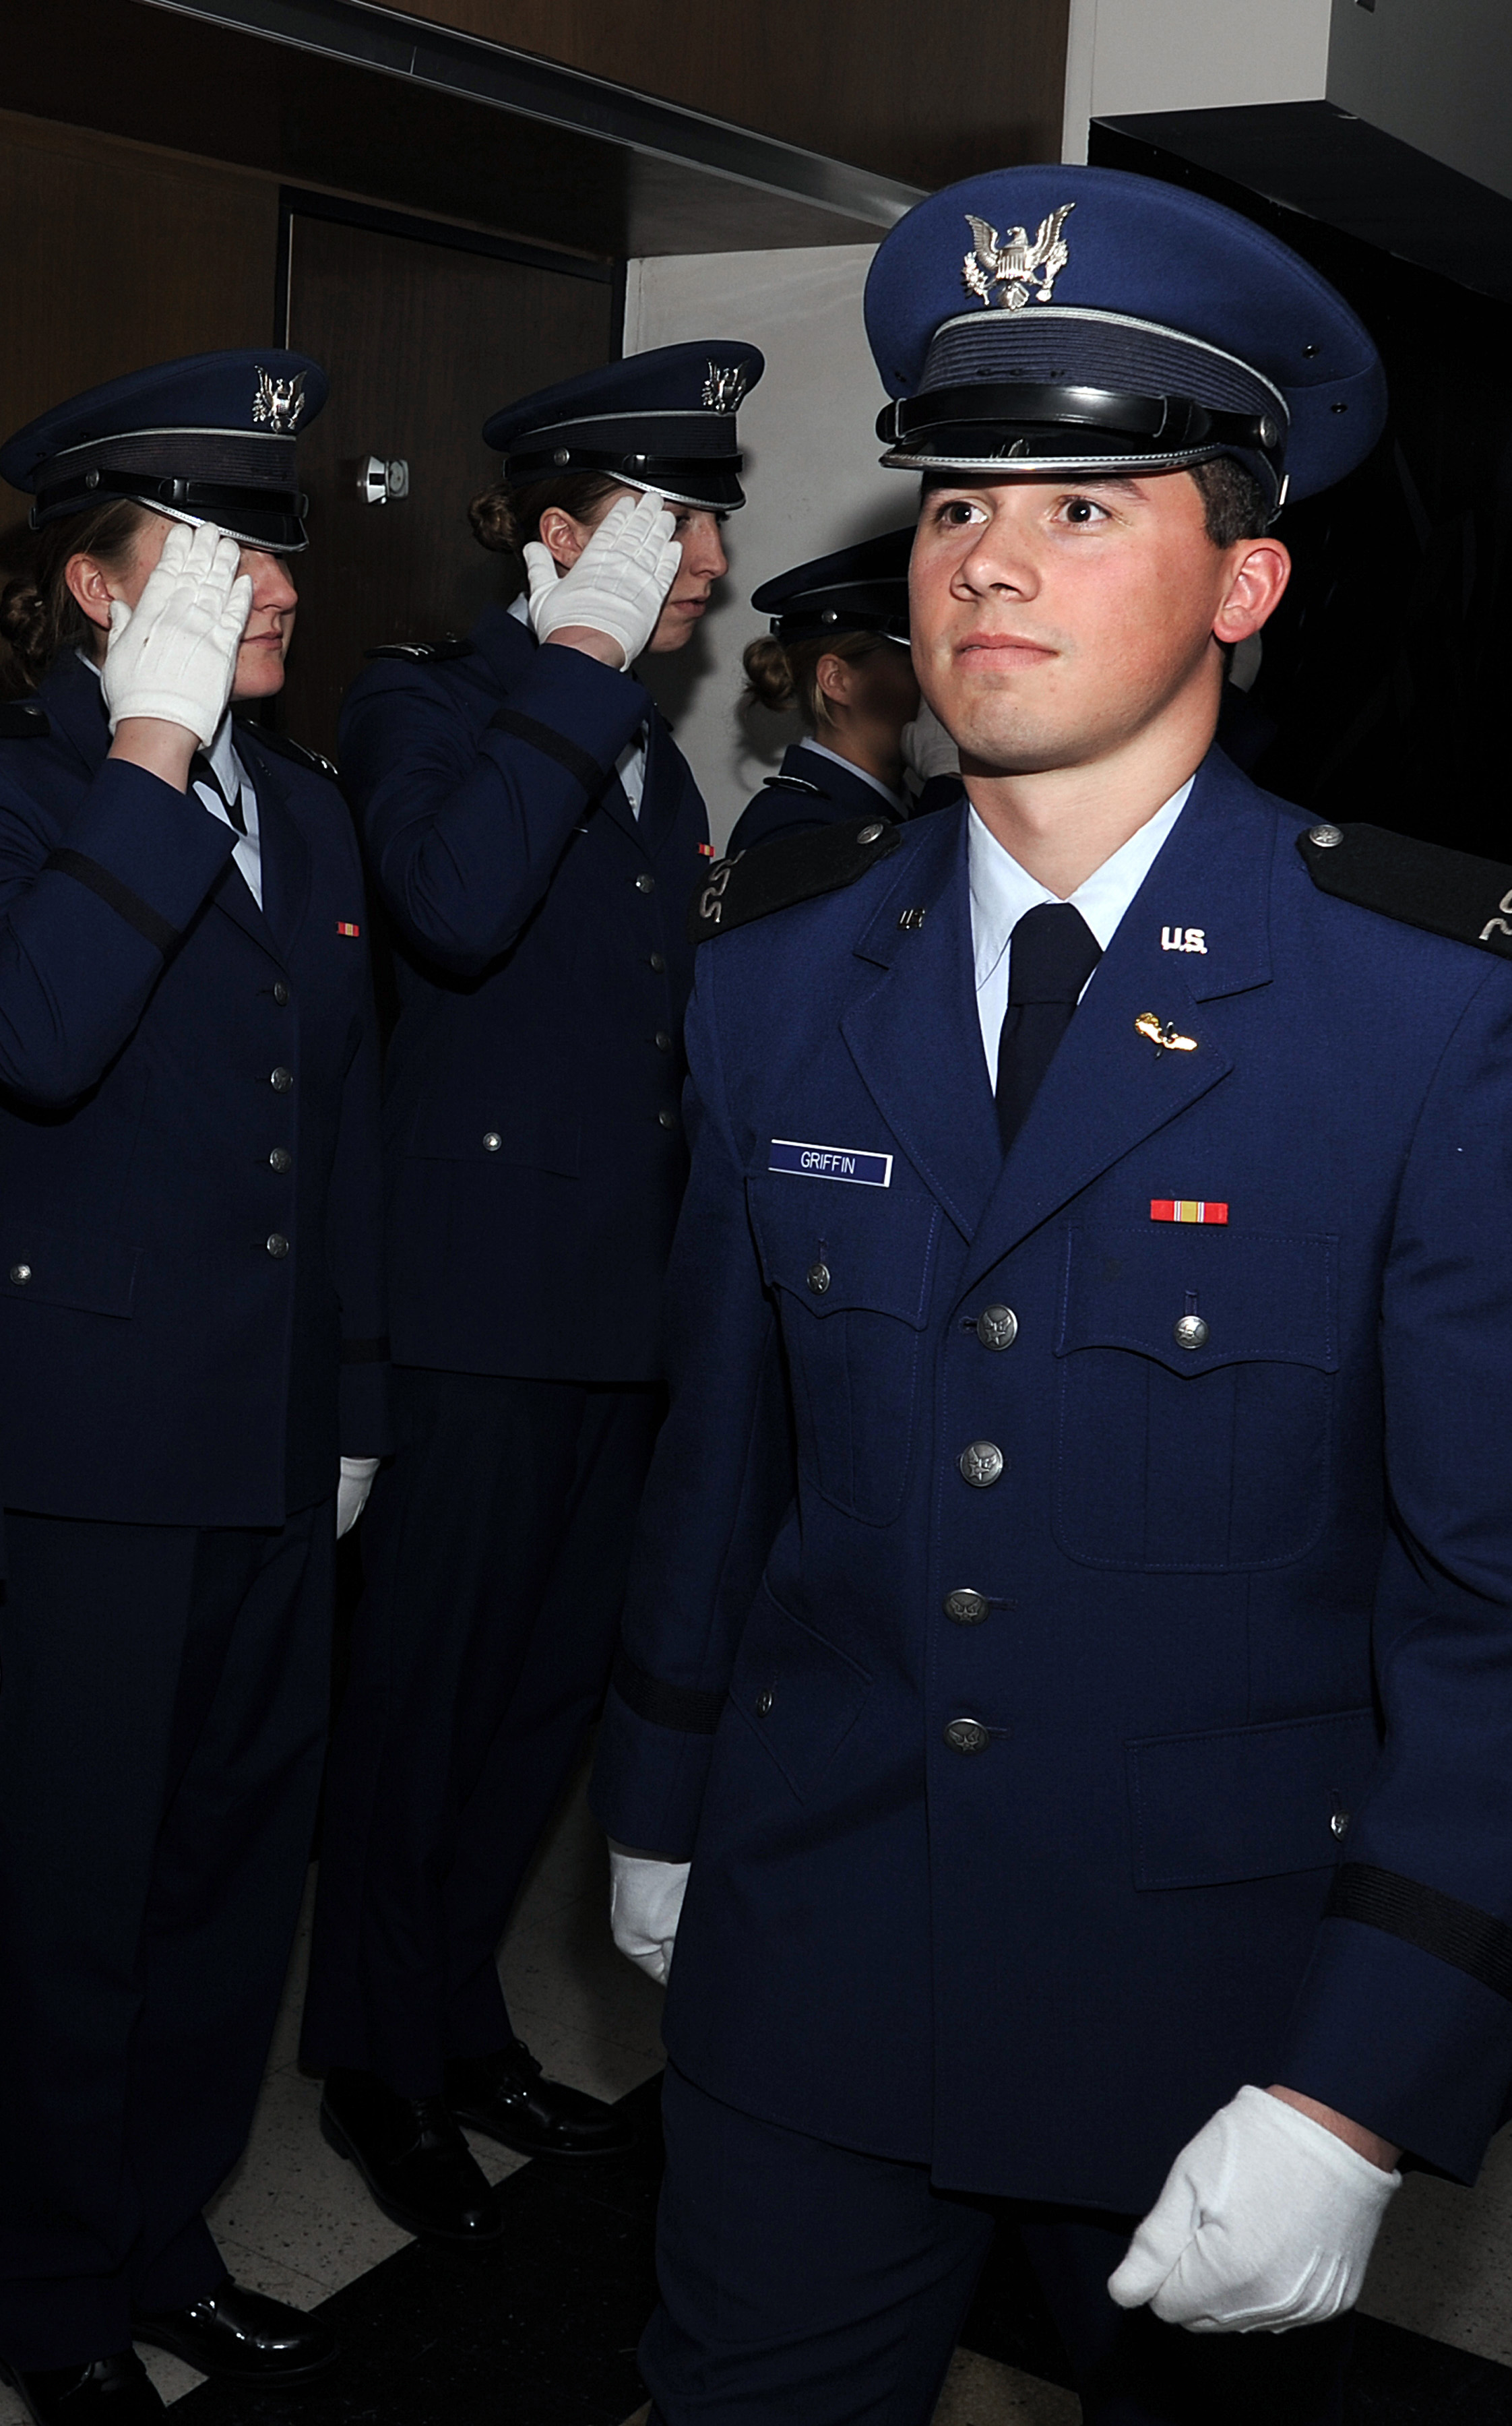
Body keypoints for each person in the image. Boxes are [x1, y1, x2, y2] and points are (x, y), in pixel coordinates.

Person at [591, 166, 1512, 2426]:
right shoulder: (776, 986)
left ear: (1246, 581)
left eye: (1084, 506)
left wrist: (1363, 2082)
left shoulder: (1435, 1011)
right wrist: (662, 1798)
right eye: (962, 507)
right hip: (821, 1943)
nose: (989, 562)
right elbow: (727, 1450)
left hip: (1216, 2002)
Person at [299, 342, 764, 2244]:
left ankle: (461, 2017)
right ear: (564, 539)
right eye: (682, 528)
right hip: (475, 1314)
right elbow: (462, 906)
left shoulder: (649, 751)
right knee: (422, 1712)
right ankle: (371, 2065)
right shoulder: (433, 710)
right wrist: (575, 663)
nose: (717, 569)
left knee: (535, 1723)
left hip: (617, 1319)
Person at [0, 351, 389, 2424]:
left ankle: (164, 2233)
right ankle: (49, 2289)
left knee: (232, 1883)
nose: (269, 587)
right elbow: (48, 1034)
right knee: (66, 1903)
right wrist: (149, 751)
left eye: (280, 549)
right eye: (215, 549)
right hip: (80, 1459)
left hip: (265, 1436)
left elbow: (345, 1130)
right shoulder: (31, 798)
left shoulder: (310, 804)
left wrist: (361, 1394)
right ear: (94, 588)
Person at [730, 528, 922, 852]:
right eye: (915, 665)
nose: (938, 681)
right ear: (837, 680)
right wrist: (950, 785)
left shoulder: (905, 805)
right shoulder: (795, 826)